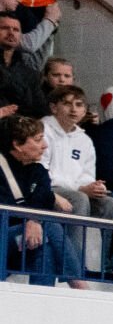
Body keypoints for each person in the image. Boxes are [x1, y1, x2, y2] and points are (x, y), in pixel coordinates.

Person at [0, 113, 86, 288]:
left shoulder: (38, 170)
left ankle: (42, 304)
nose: (45, 146)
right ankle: (79, 284)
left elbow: (43, 199)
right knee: (50, 226)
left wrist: (33, 220)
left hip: (17, 240)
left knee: (43, 246)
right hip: (3, 237)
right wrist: (32, 220)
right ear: (17, 144)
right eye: (38, 140)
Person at [43, 85, 113, 274]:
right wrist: (81, 189)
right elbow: (42, 172)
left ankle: (106, 265)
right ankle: (73, 267)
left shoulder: (84, 140)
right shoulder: (43, 130)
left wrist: (93, 186)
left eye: (79, 105)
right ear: (54, 108)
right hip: (50, 191)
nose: (74, 109)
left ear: (85, 110)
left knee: (111, 205)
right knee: (79, 199)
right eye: (67, 104)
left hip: (77, 190)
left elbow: (87, 173)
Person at [0, 11, 47, 116]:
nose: (11, 33)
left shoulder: (30, 74)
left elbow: (41, 110)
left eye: (16, 30)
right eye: (4, 28)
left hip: (24, 128)